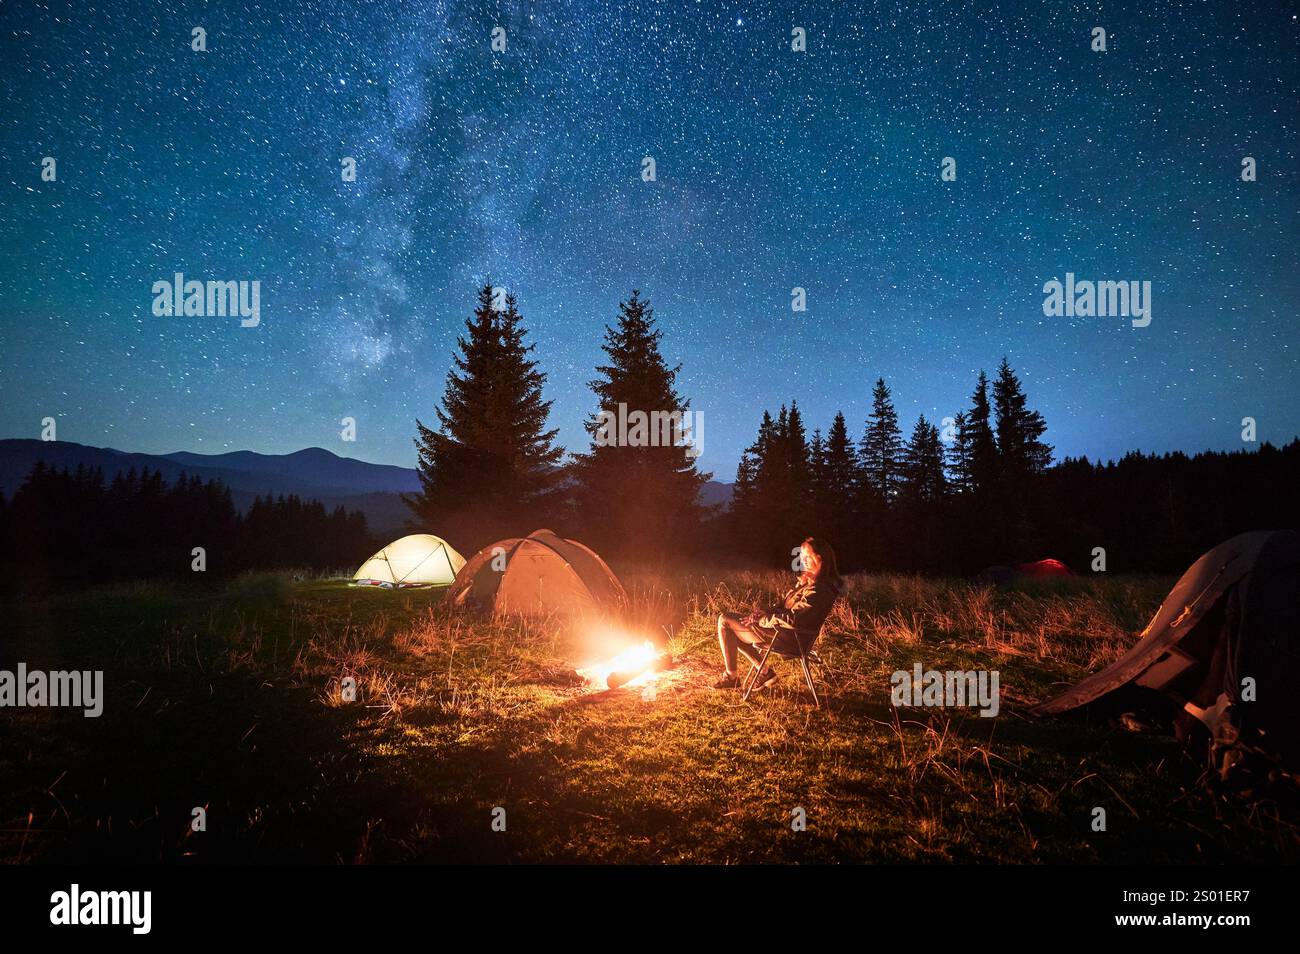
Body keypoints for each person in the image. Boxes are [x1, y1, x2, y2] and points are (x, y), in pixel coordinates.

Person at [713, 537, 844, 691]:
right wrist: (763, 612)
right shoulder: (808, 583)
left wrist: (763, 620)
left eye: (807, 556)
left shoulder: (819, 590)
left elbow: (794, 619)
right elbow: (782, 607)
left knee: (725, 621)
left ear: (820, 558)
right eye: (802, 556)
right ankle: (763, 673)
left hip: (788, 637)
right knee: (736, 625)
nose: (804, 560)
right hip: (780, 631)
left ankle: (732, 677)